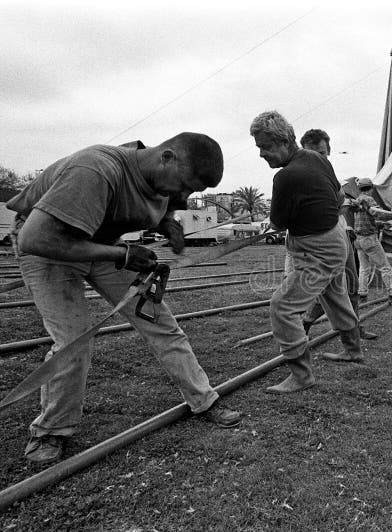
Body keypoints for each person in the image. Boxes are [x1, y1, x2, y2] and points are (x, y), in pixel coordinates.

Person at [7, 133, 242, 465]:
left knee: (160, 321)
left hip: (102, 245)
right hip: (49, 248)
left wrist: (168, 225)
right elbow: (35, 238)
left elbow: (157, 206)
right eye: (184, 187)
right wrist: (123, 254)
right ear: (167, 157)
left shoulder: (162, 181)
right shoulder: (96, 169)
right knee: (74, 339)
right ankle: (51, 429)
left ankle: (203, 399)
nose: (184, 197)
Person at [250, 111, 362, 389]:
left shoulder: (285, 177)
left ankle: (301, 376)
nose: (262, 153)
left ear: (283, 141)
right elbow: (339, 197)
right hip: (335, 240)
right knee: (336, 298)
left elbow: (277, 224)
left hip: (317, 252)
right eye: (259, 147)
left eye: (265, 146)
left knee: (283, 306)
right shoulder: (317, 159)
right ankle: (353, 350)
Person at [297, 129, 378, 352]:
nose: (318, 158)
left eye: (322, 153)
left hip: (341, 234)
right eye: (312, 154)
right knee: (328, 289)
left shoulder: (329, 174)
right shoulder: (299, 177)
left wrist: (354, 205)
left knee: (352, 286)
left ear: (329, 152)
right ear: (303, 153)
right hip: (319, 241)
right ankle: (306, 322)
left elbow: (339, 203)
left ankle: (355, 329)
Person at [352, 178, 392, 306]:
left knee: (364, 268)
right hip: (369, 239)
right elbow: (380, 213)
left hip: (358, 240)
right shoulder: (368, 200)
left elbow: (365, 219)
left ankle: (362, 295)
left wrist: (380, 224)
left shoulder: (357, 201)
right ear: (371, 188)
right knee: (385, 267)